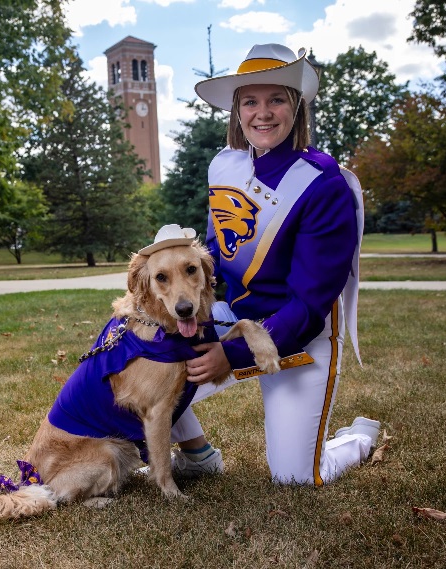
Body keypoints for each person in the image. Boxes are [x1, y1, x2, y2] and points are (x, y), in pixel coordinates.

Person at [168, 43, 379, 486]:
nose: (262, 113)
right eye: (250, 101)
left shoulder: (325, 184)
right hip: (240, 320)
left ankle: (358, 437)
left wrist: (230, 354)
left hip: (302, 338)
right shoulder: (224, 166)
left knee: (294, 479)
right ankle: (197, 454)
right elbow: (214, 257)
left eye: (276, 99)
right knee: (146, 347)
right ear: (237, 111)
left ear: (296, 106)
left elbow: (307, 307)